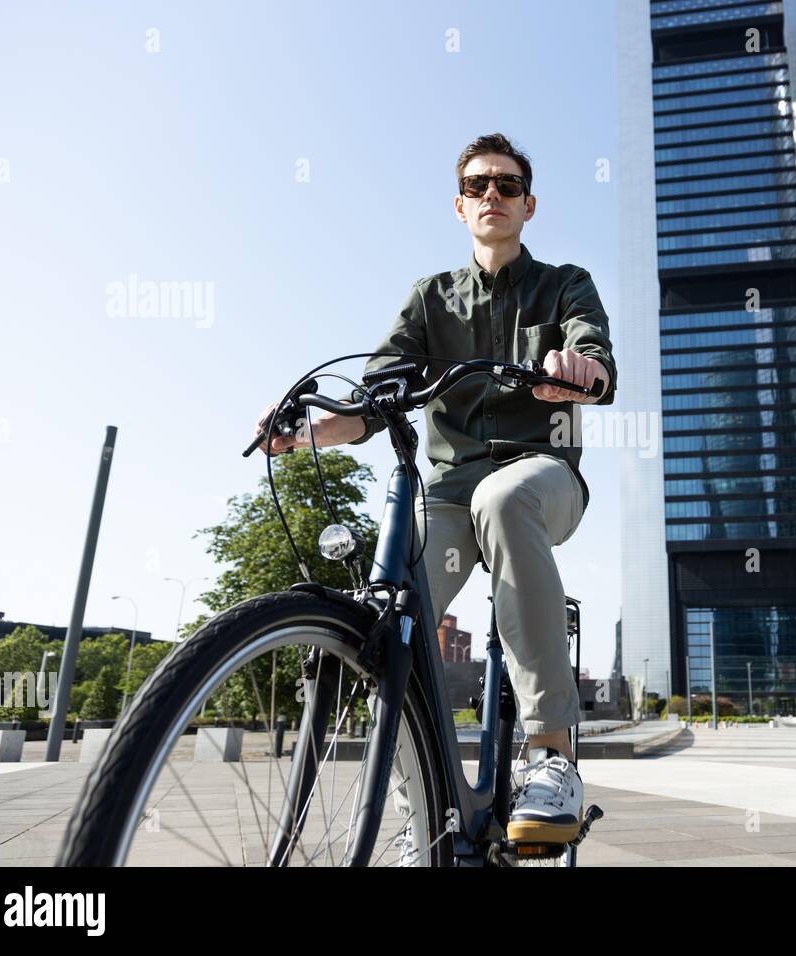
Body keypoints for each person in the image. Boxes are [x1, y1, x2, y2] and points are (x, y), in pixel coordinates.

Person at [252, 133, 616, 845]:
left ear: (528, 204)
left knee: (503, 501)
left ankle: (552, 756)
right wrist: (304, 433)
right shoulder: (430, 298)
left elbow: (595, 357)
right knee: (390, 589)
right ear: (459, 205)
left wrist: (580, 372)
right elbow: (380, 389)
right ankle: (418, 781)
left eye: (507, 186)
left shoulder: (564, 282)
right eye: (479, 185)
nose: (493, 196)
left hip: (541, 475)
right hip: (448, 489)